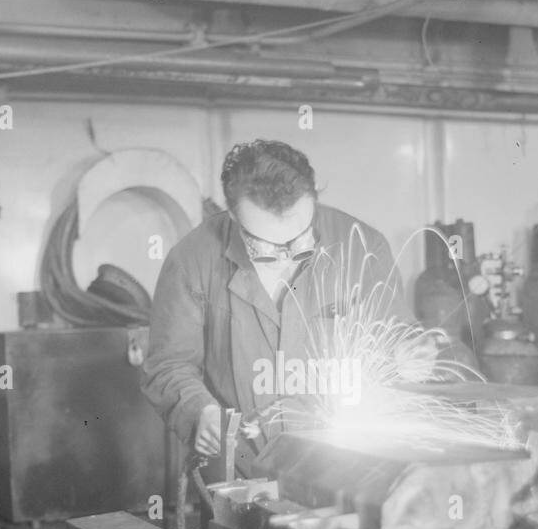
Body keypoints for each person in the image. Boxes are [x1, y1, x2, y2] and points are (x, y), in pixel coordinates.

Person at [143, 139, 429, 476]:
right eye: (267, 246)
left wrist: (409, 353)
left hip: (347, 466)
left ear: (313, 202)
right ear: (233, 215)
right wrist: (198, 409)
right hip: (242, 468)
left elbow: (394, 338)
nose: (287, 255)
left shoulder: (360, 246)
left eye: (300, 240)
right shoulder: (193, 260)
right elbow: (169, 365)